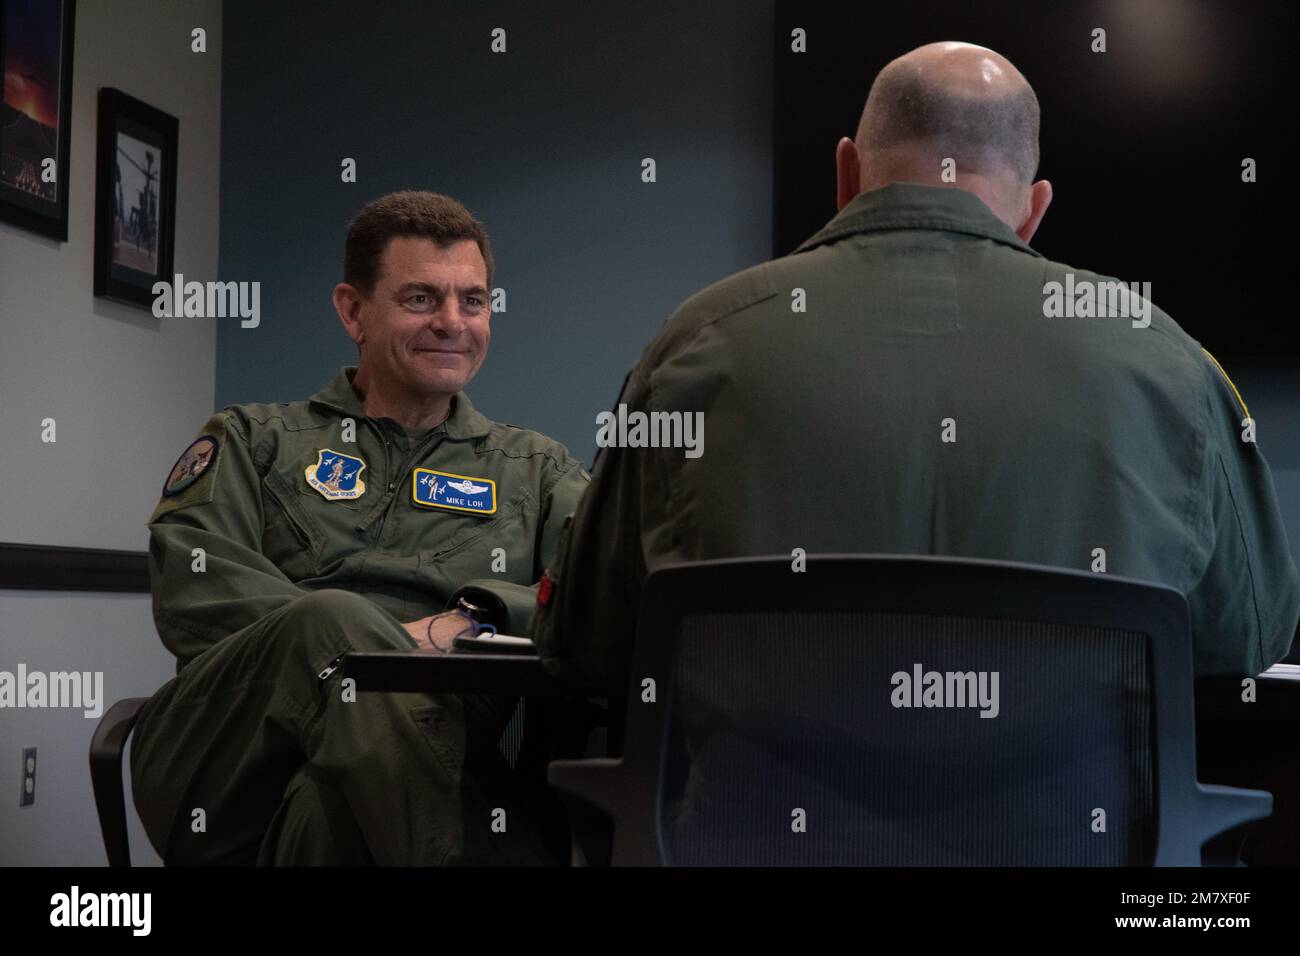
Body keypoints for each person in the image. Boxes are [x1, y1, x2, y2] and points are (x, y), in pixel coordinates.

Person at [531, 41, 1300, 693]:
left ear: (845, 173)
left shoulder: (697, 342)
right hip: (1062, 835)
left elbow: (584, 638)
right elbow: (1250, 638)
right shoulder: (1167, 361)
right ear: (1035, 207)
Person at [131, 191, 588, 865]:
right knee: (330, 622)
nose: (452, 323)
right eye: (421, 299)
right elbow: (197, 598)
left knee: (332, 806)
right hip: (230, 767)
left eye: (473, 301)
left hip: (429, 770)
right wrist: (365, 642)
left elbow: (589, 592)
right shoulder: (254, 439)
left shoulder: (535, 469)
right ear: (354, 311)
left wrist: (475, 618)